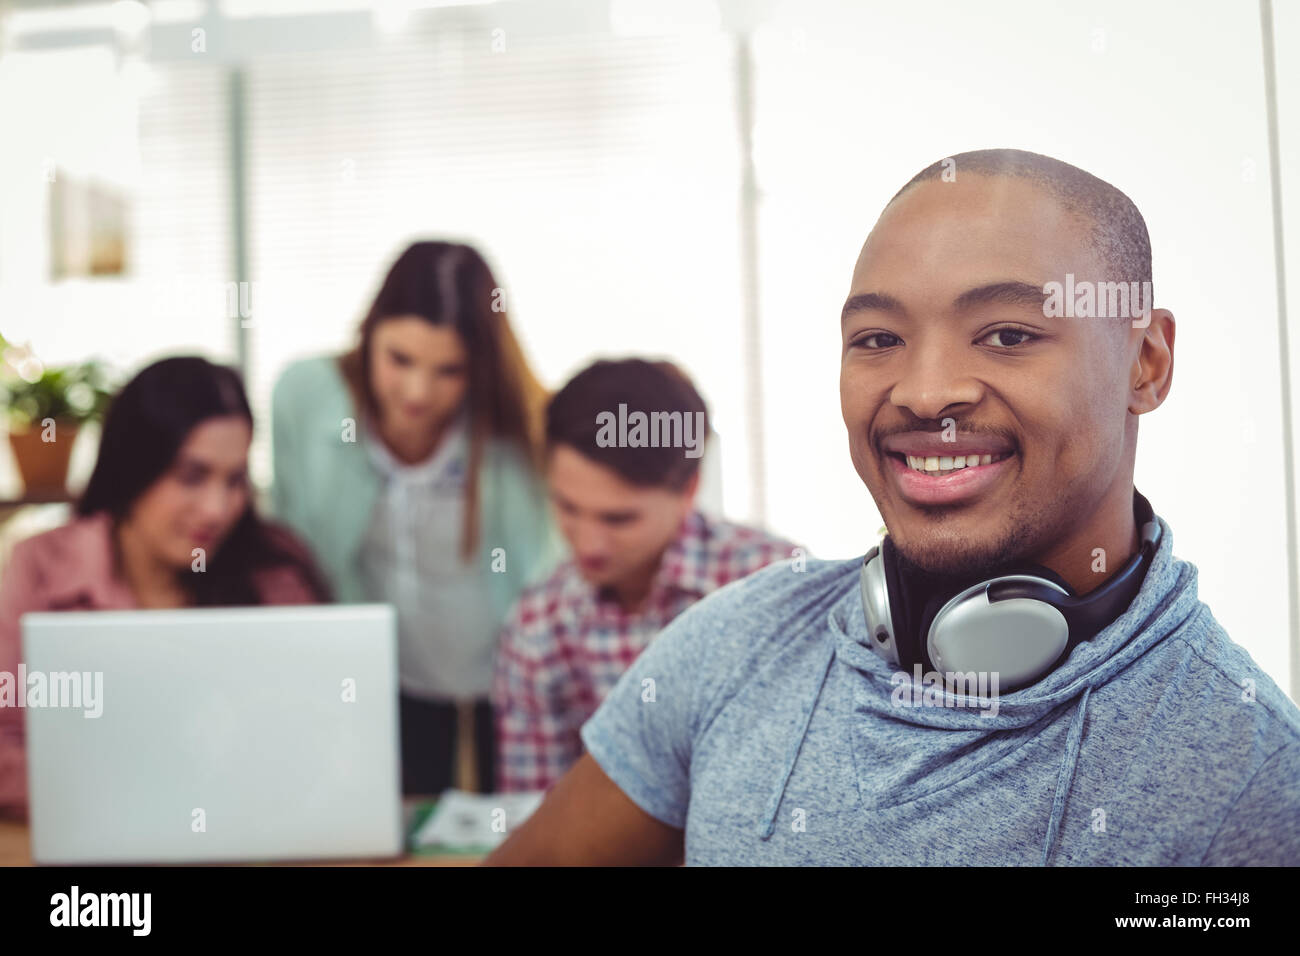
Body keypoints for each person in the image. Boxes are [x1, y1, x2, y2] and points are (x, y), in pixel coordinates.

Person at [485, 148, 1300, 865]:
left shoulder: (1249, 777)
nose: (924, 393)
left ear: (1146, 363)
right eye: (878, 339)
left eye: (1009, 334)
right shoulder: (736, 642)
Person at [271, 240, 561, 796]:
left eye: (449, 370)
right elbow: (293, 547)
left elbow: (547, 567)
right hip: (375, 672)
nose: (417, 392)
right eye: (399, 359)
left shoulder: (521, 423)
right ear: (368, 331)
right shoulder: (305, 396)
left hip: (503, 675)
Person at [0, 356, 328, 818]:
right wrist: (136, 789)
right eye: (192, 476)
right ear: (132, 469)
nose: (216, 509)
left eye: (234, 480)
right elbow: (4, 744)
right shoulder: (42, 564)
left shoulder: (275, 572)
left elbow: (325, 743)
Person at [493, 358, 799, 792]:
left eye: (618, 519)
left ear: (689, 490)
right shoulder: (538, 623)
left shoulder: (772, 586)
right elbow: (537, 814)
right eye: (567, 508)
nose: (587, 543)